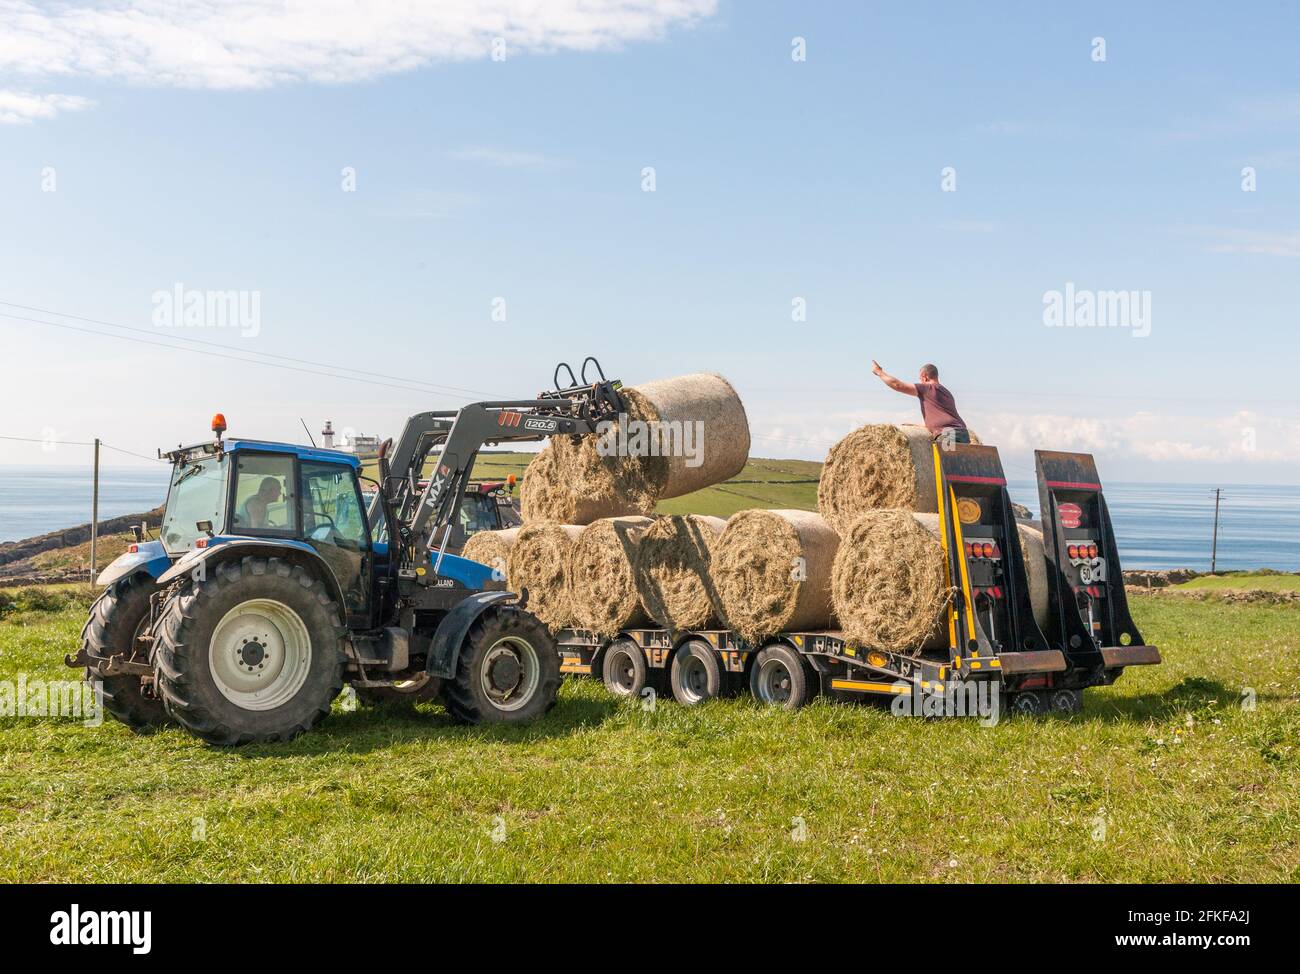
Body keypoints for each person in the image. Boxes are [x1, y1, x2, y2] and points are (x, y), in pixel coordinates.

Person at [871, 360, 970, 444]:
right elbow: (941, 418)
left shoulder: (927, 388)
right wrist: (916, 426)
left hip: (948, 434)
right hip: (963, 434)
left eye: (920, 379)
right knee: (959, 466)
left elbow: (897, 385)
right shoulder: (947, 393)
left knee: (944, 466)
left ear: (924, 377)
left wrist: (879, 372)